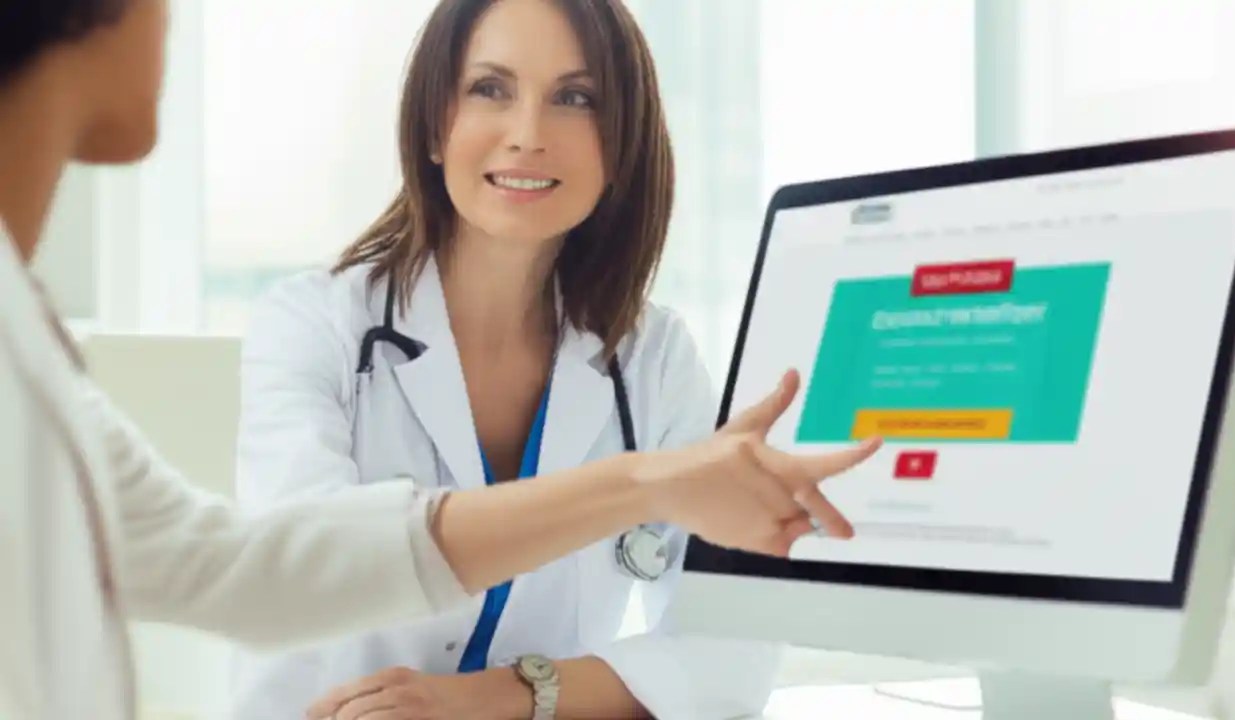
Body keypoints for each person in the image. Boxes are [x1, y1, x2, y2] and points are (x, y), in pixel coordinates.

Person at [0, 0, 883, 718]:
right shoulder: (315, 323)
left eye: (577, 98)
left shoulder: (650, 356)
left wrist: (503, 698)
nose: (529, 132)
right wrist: (650, 483)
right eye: (490, 89)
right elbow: (292, 566)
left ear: (623, 144)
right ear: (433, 123)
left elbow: (731, 648)